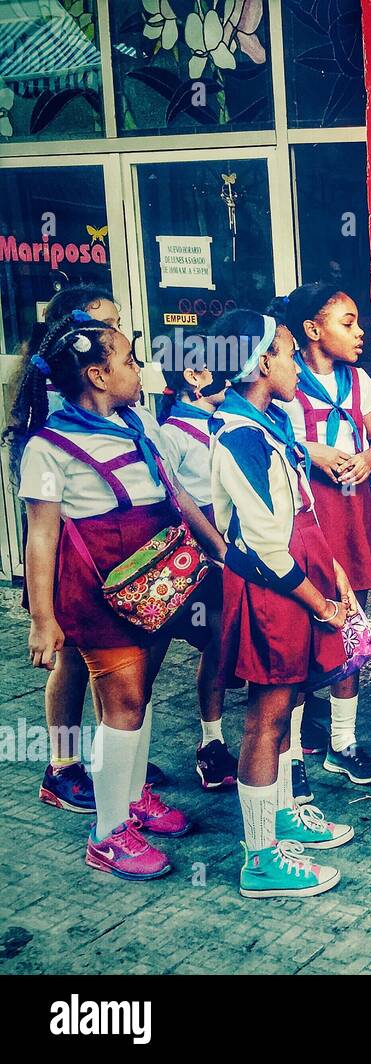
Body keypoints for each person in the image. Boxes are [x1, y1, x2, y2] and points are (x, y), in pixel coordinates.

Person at [10, 311, 224, 880]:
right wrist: (42, 620)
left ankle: (129, 800)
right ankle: (107, 834)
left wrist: (222, 551)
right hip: (98, 594)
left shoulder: (143, 425)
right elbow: (41, 537)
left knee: (139, 697)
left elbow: (179, 495)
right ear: (98, 375)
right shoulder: (47, 450)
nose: (141, 370)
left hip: (156, 584)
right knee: (122, 704)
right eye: (129, 360)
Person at [209, 310, 355, 898]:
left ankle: (284, 810)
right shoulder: (240, 436)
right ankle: (259, 856)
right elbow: (266, 545)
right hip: (276, 588)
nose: (296, 364)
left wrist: (335, 569)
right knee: (265, 718)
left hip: (298, 577)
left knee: (289, 701)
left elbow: (300, 511)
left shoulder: (268, 422)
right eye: (290, 353)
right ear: (263, 363)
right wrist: (320, 602)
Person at [272, 284, 371, 798]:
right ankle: (289, 751)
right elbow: (266, 440)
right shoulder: (286, 385)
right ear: (313, 330)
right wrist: (310, 451)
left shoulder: (360, 381)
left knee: (352, 622)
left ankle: (344, 743)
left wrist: (369, 458)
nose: (359, 331)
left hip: (352, 511)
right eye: (348, 321)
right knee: (303, 625)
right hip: (307, 514)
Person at [24, 286, 125, 815]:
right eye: (104, 324)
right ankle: (62, 765)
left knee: (106, 666)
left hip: (108, 564)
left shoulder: (118, 413)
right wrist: (42, 613)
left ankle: (117, 754)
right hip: (69, 564)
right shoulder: (51, 420)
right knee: (70, 663)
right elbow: (41, 527)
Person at [158, 352, 241, 791]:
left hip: (241, 551)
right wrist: (214, 548)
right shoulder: (171, 435)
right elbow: (173, 503)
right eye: (219, 368)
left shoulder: (228, 421)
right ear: (193, 377)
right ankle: (212, 741)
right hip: (207, 560)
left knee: (239, 639)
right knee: (215, 643)